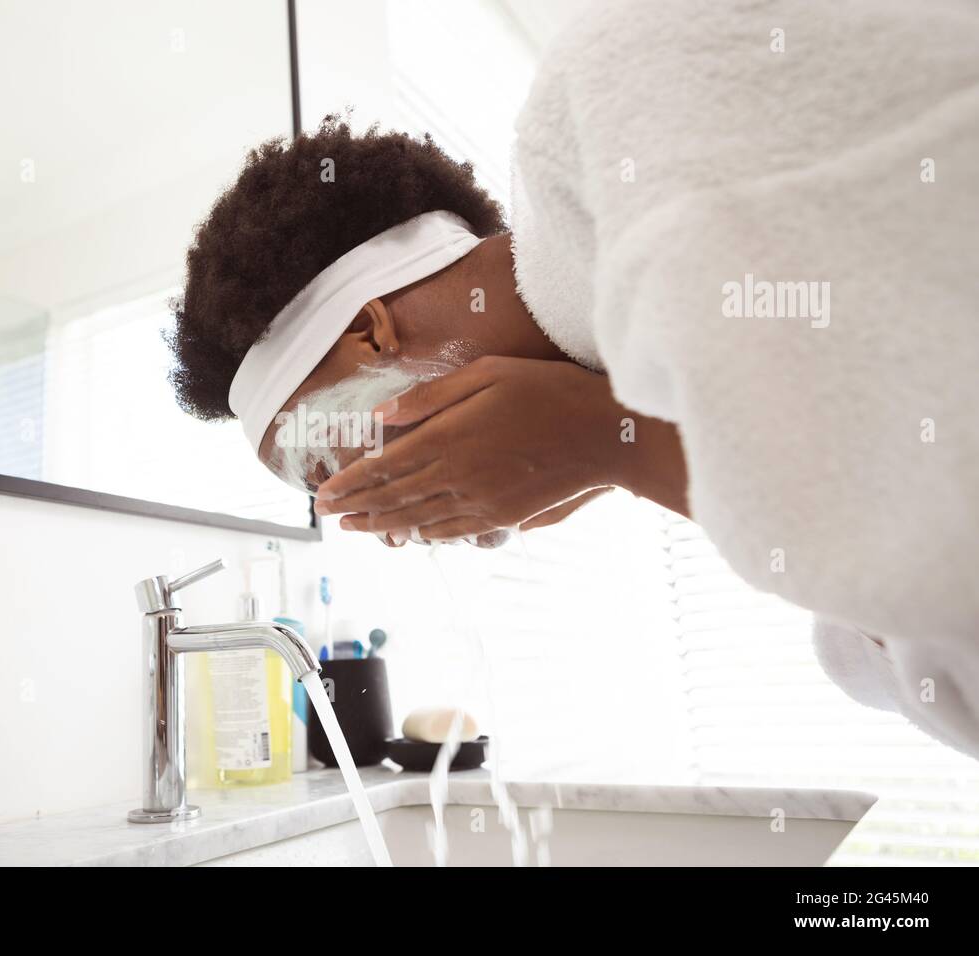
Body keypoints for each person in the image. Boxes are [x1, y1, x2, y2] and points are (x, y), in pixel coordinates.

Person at [167, 0, 979, 755]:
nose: (372, 521)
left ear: (369, 333)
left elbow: (934, 556)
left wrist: (608, 443)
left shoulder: (616, 108)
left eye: (323, 465)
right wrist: (611, 444)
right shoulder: (633, 353)